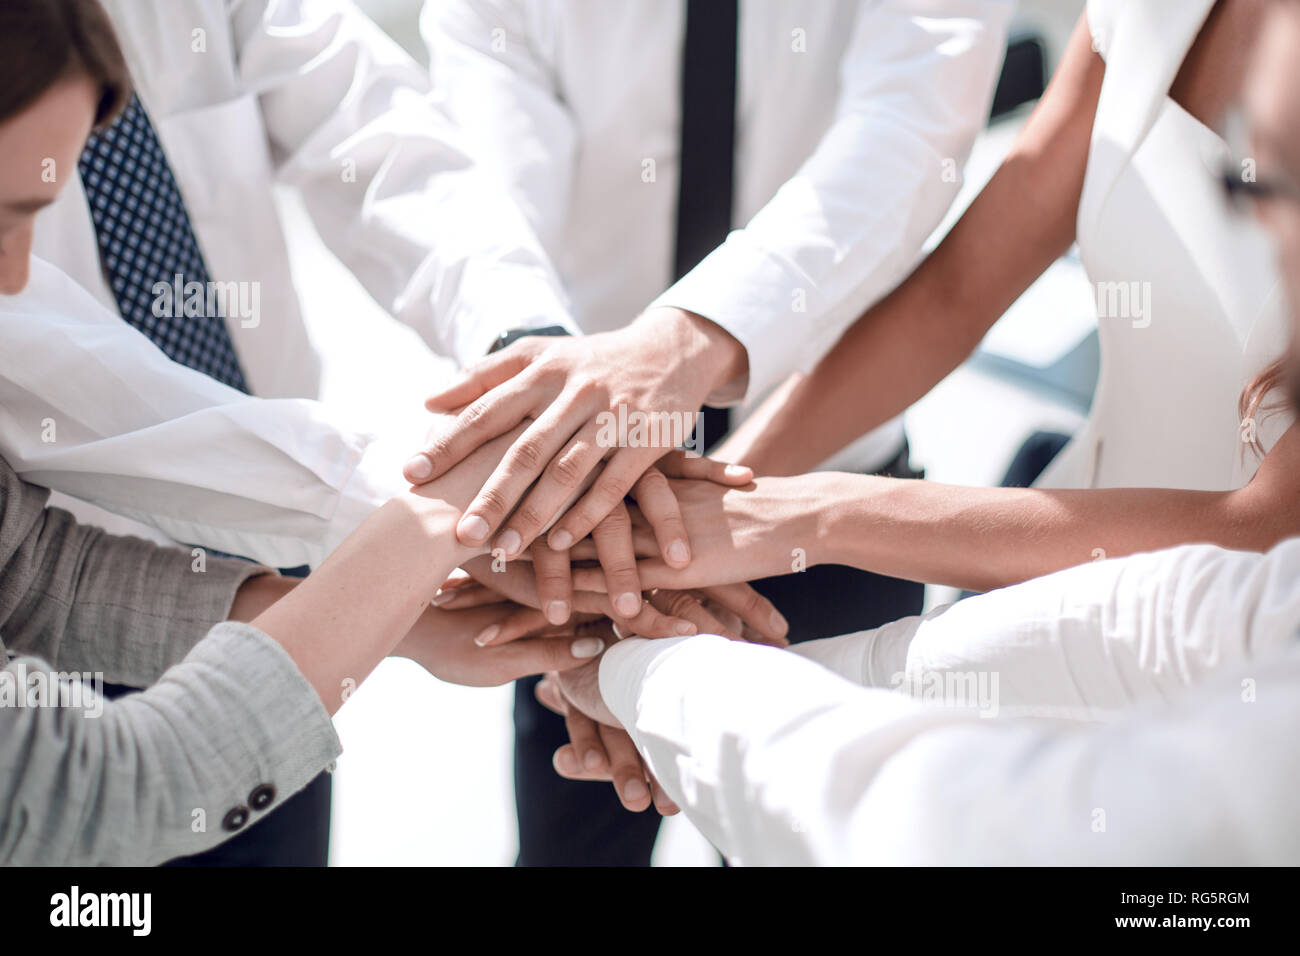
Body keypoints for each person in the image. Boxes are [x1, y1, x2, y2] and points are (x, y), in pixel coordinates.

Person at [541, 0, 1300, 863]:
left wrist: (802, 519)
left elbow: (1261, 536)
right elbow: (957, 291)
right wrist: (683, 542)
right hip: (1042, 585)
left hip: (1236, 704)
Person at [417, 0, 1014, 866]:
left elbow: (905, 134)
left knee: (825, 844)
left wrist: (689, 339)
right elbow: (488, 191)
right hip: (581, 537)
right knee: (573, 844)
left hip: (832, 499)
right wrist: (543, 397)